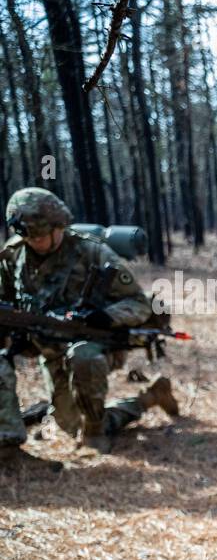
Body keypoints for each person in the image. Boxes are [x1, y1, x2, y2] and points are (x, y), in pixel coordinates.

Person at [0, 187, 177, 463]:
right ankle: (151, 396)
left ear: (58, 226)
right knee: (68, 425)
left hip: (95, 343)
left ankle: (96, 435)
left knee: (83, 358)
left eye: (39, 235)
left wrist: (104, 316)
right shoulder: (14, 255)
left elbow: (139, 304)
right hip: (47, 347)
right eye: (27, 235)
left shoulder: (91, 252)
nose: (33, 242)